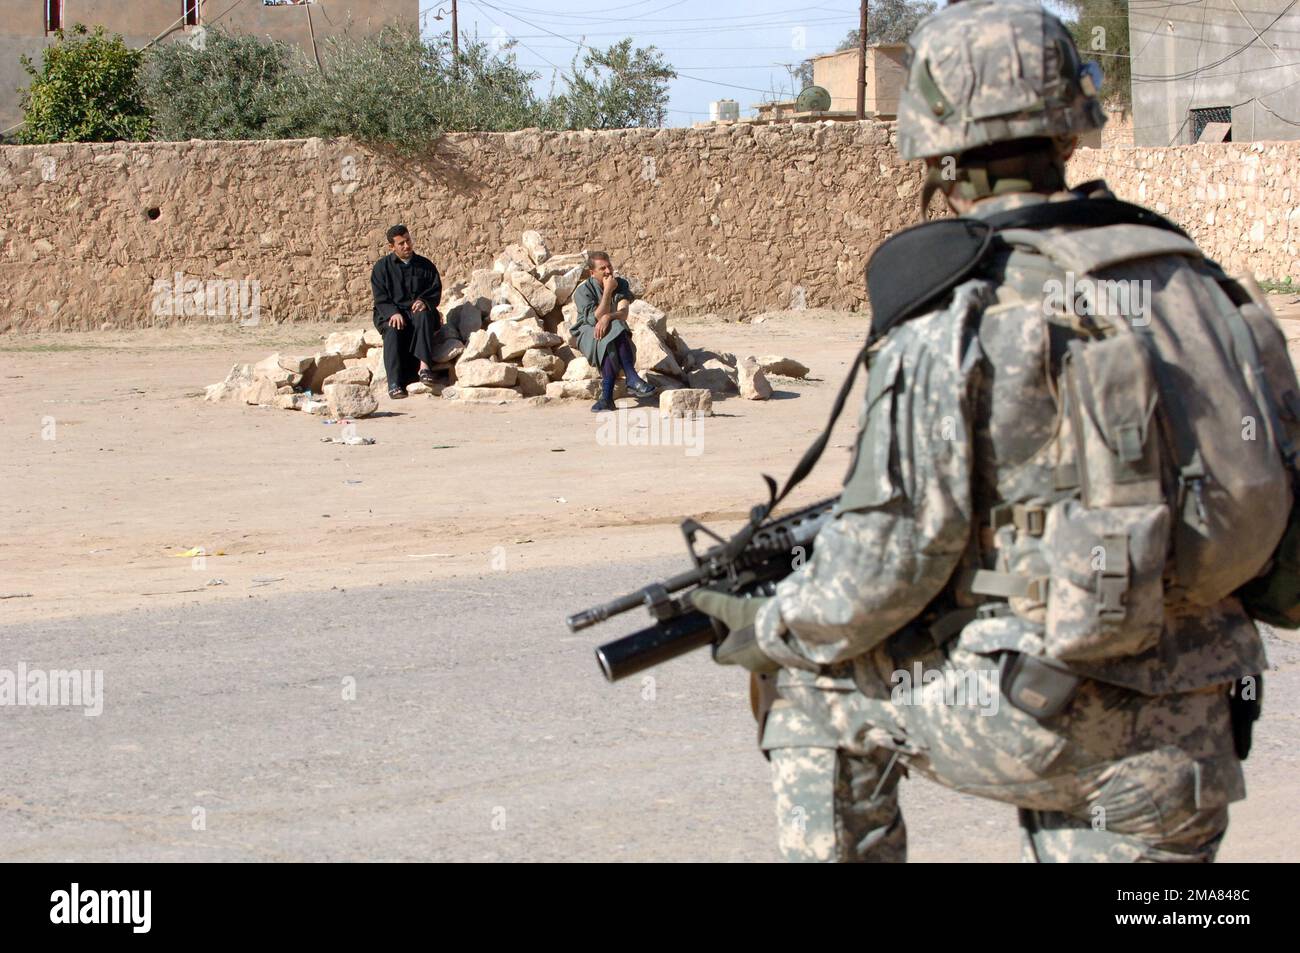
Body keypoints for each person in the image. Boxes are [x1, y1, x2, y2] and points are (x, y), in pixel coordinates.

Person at [692, 0, 1295, 863]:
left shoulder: (954, 311)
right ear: (1072, 129)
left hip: (1043, 722)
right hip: (1194, 738)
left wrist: (777, 623)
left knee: (806, 688)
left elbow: (888, 562)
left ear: (937, 145)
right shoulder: (1202, 282)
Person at [570, 252, 656, 413]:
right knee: (609, 332)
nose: (608, 271)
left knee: (615, 326)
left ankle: (607, 397)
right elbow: (595, 318)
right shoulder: (583, 291)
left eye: (609, 266)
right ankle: (631, 378)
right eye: (602, 268)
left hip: (612, 329)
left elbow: (623, 313)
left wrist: (609, 317)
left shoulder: (621, 283)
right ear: (592, 273)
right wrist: (608, 291)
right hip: (586, 331)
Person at [371, 224, 443, 399]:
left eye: (408, 241)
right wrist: (392, 313)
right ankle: (394, 383)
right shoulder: (382, 268)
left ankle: (425, 368)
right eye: (401, 243)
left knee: (424, 314)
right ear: (392, 247)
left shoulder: (425, 265)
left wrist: (424, 301)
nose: (406, 246)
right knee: (392, 329)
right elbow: (380, 297)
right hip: (393, 313)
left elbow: (435, 290)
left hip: (418, 314)